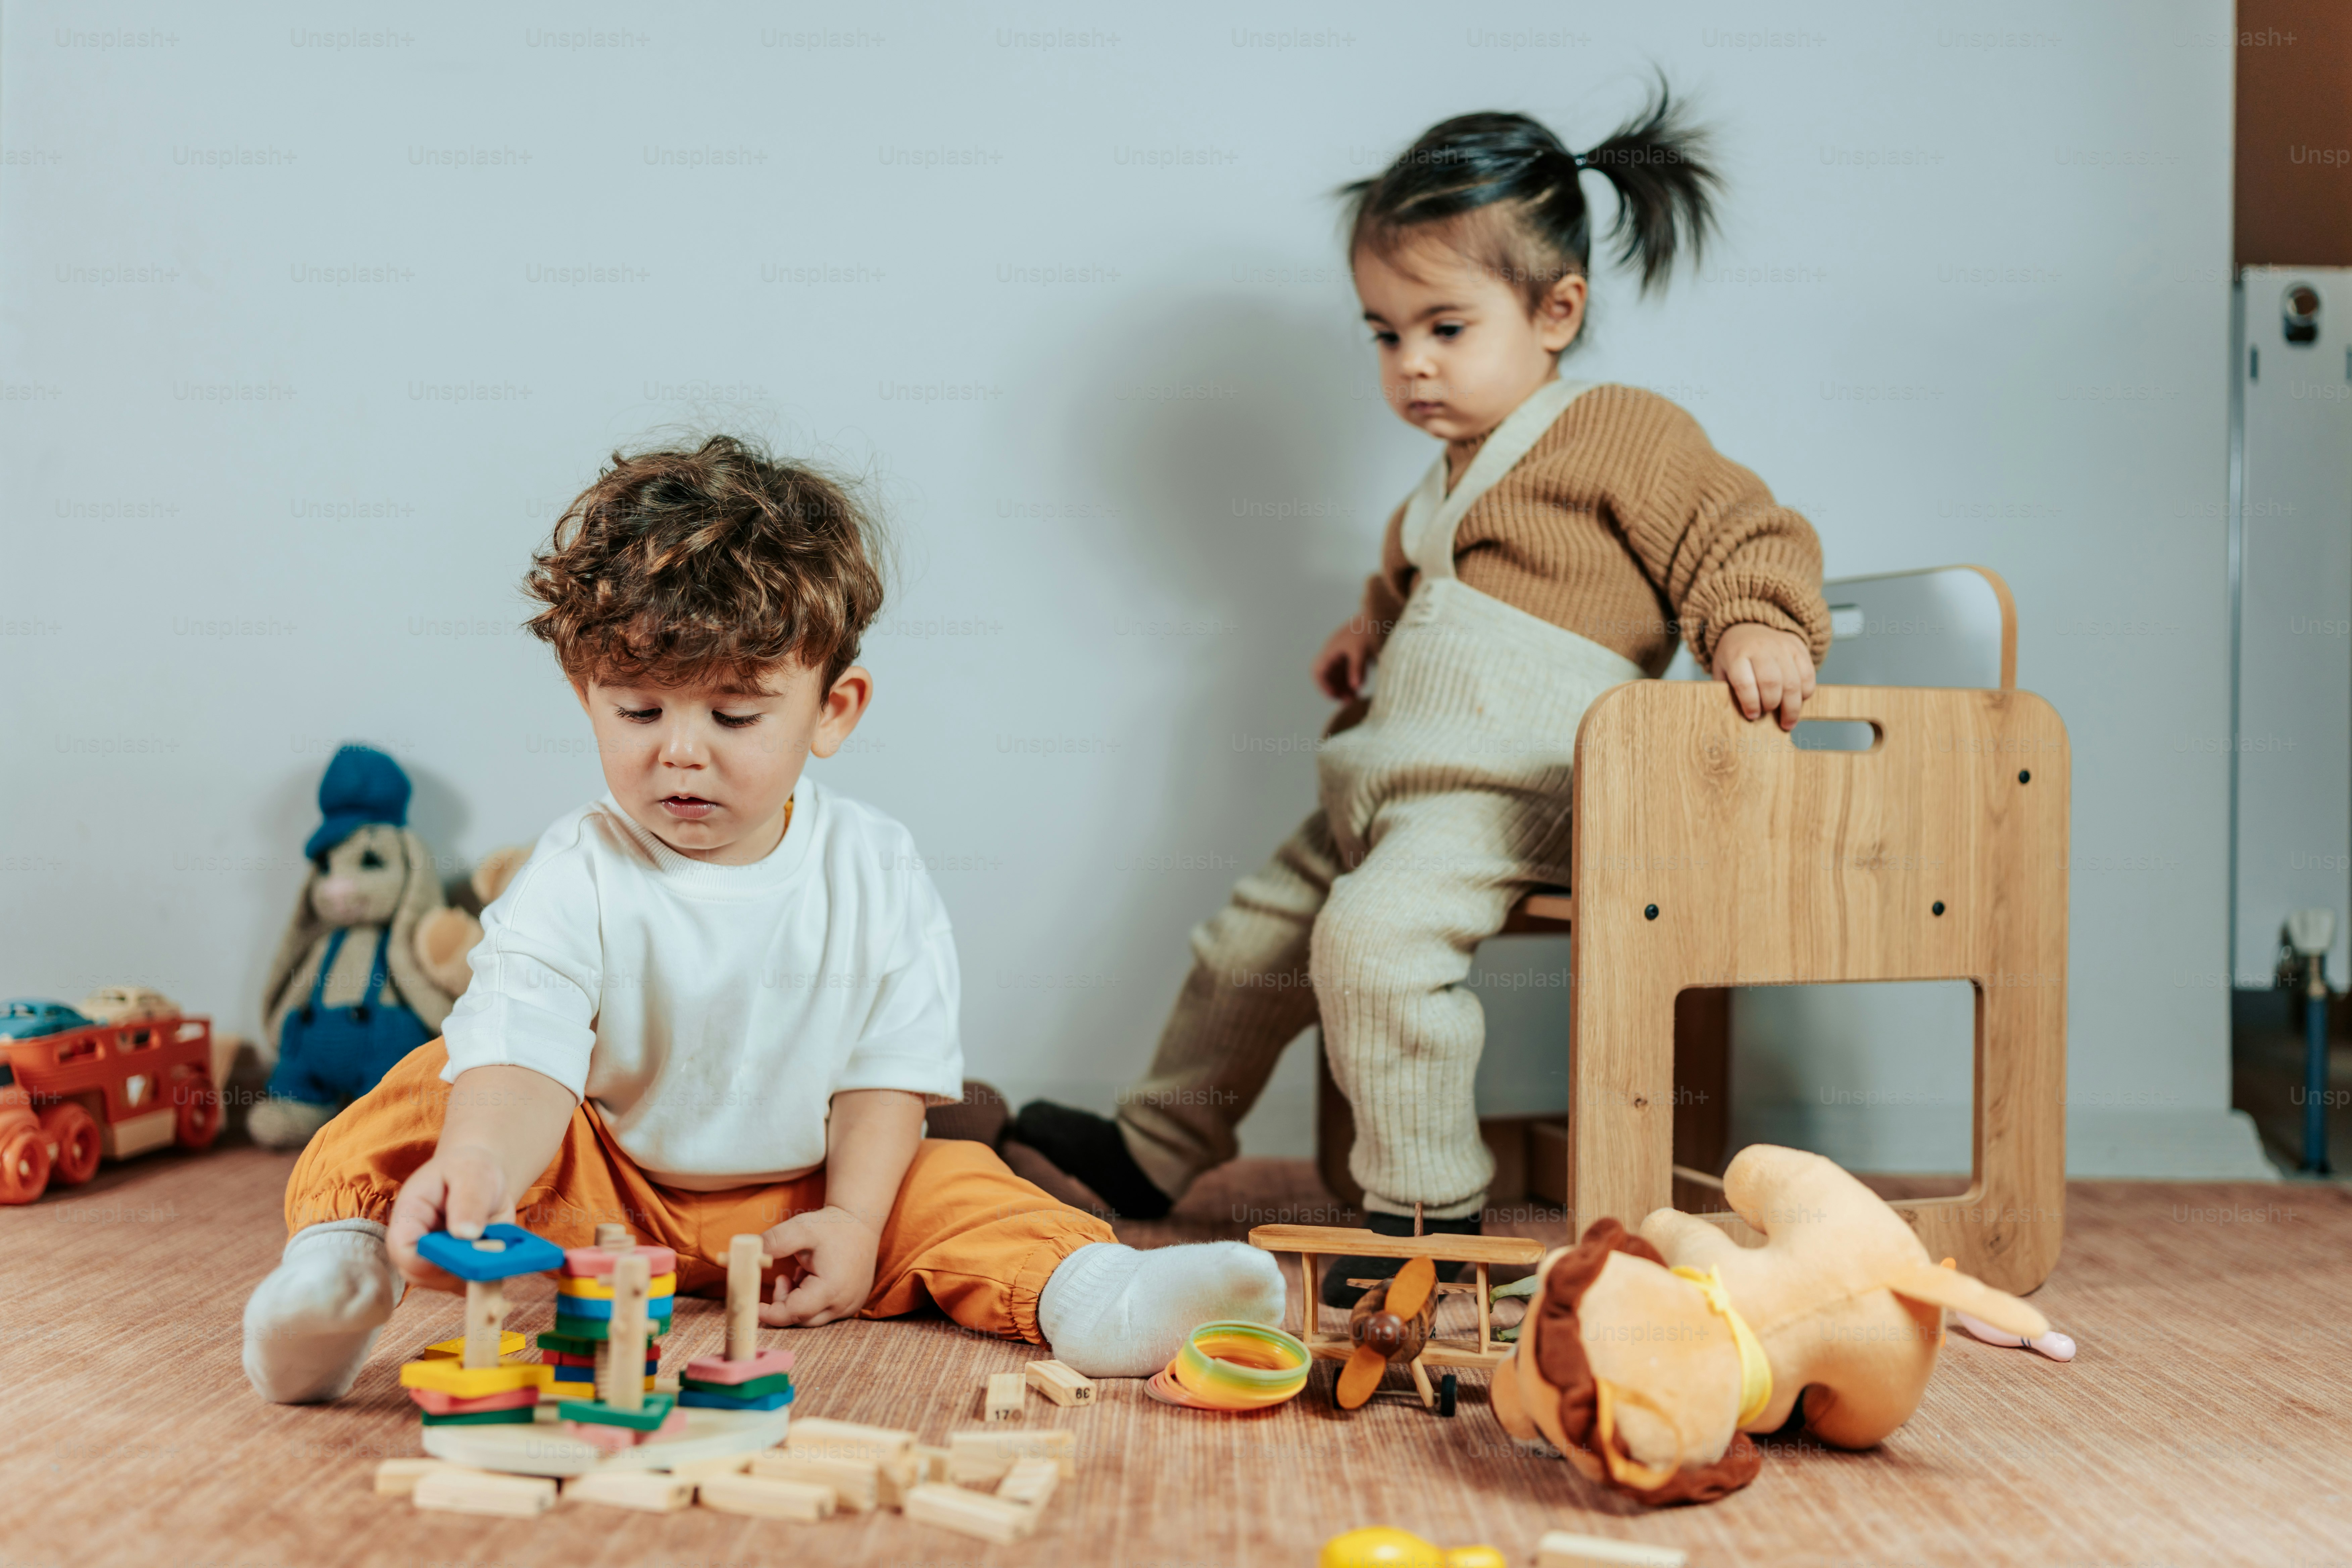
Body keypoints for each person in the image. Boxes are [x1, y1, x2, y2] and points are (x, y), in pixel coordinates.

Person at [241, 435, 1282, 1402]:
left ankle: (1098, 1300)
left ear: (834, 710)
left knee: (962, 1177)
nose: (681, 751)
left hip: (808, 1194)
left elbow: (889, 1077)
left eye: (734, 715)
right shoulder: (577, 869)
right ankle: (336, 1273)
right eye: (639, 710)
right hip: (606, 1190)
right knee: (432, 1091)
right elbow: (523, 1057)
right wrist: (481, 1171)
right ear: (584, 694)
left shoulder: (874, 866)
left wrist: (858, 1221)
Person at [1013, 93, 1831, 1304]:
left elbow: (1739, 531)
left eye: (1445, 327)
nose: (1412, 366)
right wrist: (1371, 630)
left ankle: (1425, 1212)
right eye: (1385, 335)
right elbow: (1425, 585)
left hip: (1523, 787)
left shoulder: (1618, 433)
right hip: (1390, 787)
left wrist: (1756, 617)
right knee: (1245, 948)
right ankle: (1155, 1144)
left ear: (1558, 311)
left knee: (1376, 942)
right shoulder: (1439, 489)